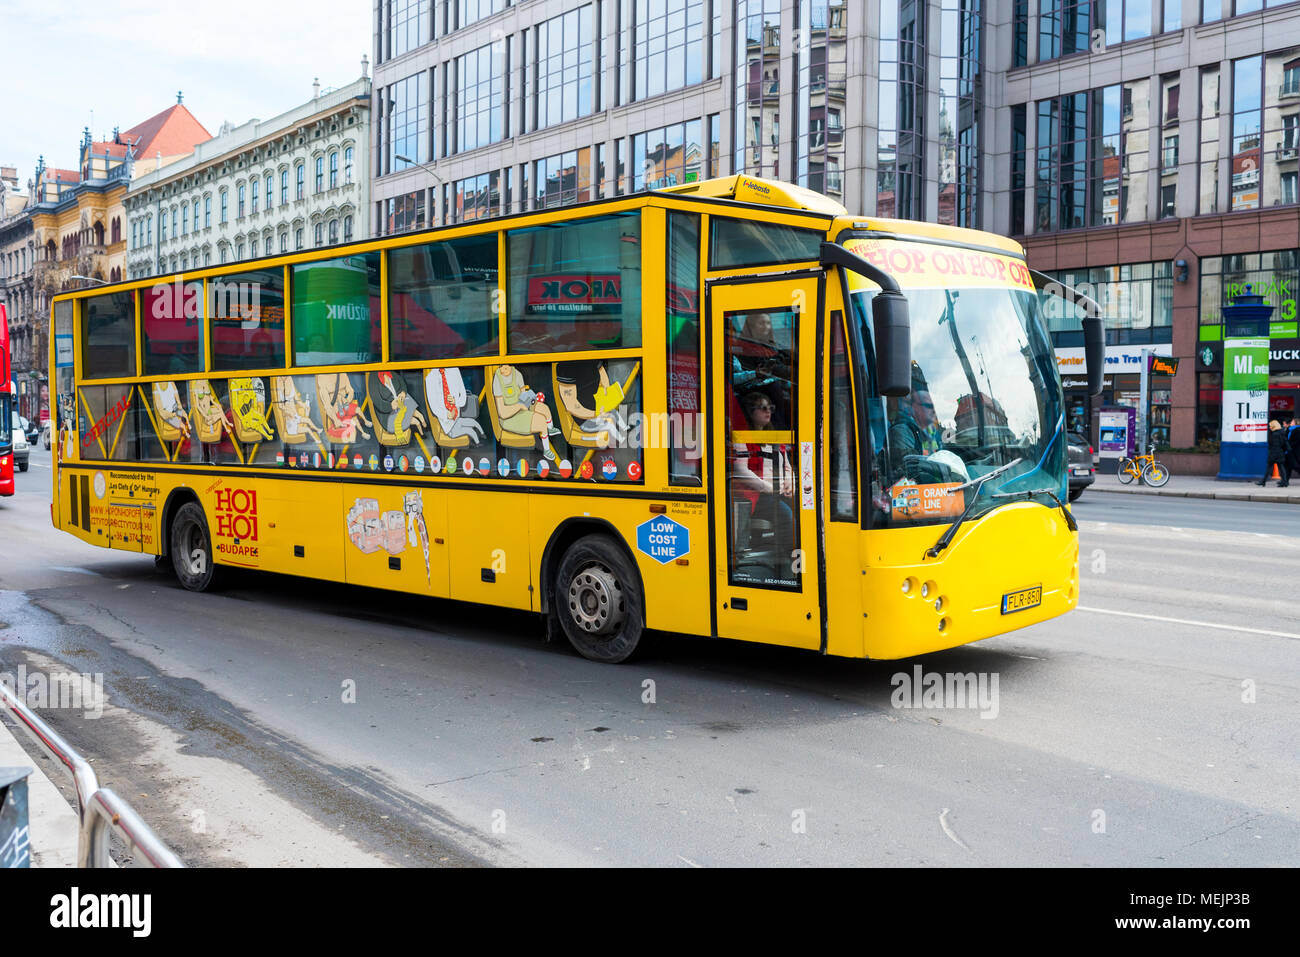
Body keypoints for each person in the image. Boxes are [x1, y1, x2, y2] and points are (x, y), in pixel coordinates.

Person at [730, 391, 795, 564]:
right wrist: (770, 488)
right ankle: (796, 562)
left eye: (770, 408)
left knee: (805, 511)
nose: (768, 412)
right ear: (751, 412)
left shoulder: (774, 438)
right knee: (787, 516)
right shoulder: (741, 436)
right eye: (762, 408)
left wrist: (789, 483)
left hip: (777, 492)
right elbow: (740, 470)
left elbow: (787, 466)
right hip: (756, 496)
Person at [1258, 419, 1290, 487]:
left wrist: (1272, 454)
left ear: (1273, 426)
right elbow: (1283, 443)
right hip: (1280, 452)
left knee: (1269, 468)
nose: (1269, 427)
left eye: (1270, 426)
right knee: (1281, 468)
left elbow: (1274, 445)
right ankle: (1284, 482)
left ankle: (1263, 482)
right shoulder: (1281, 432)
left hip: (1274, 453)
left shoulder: (1275, 434)